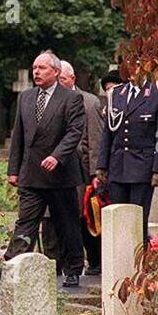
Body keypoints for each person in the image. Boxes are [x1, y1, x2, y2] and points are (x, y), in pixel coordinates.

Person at [5, 51, 88, 286]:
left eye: (42, 68)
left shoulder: (70, 98)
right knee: (26, 221)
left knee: (66, 223)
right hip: (32, 173)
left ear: (56, 71)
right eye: (34, 68)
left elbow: (74, 132)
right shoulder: (27, 97)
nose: (37, 72)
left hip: (60, 174)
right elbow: (19, 135)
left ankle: (73, 268)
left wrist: (57, 156)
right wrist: (14, 170)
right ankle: (13, 263)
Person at [40, 59, 103, 275]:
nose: (59, 83)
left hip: (79, 171)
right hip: (52, 168)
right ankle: (55, 263)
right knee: (51, 218)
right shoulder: (47, 99)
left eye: (63, 80)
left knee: (79, 217)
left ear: (72, 79)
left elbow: (95, 140)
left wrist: (95, 173)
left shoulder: (89, 102)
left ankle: (90, 261)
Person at [95, 68, 158, 242]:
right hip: (118, 166)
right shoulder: (116, 94)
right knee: (117, 219)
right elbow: (108, 132)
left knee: (137, 221)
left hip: (142, 167)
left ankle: (138, 262)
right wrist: (102, 164)